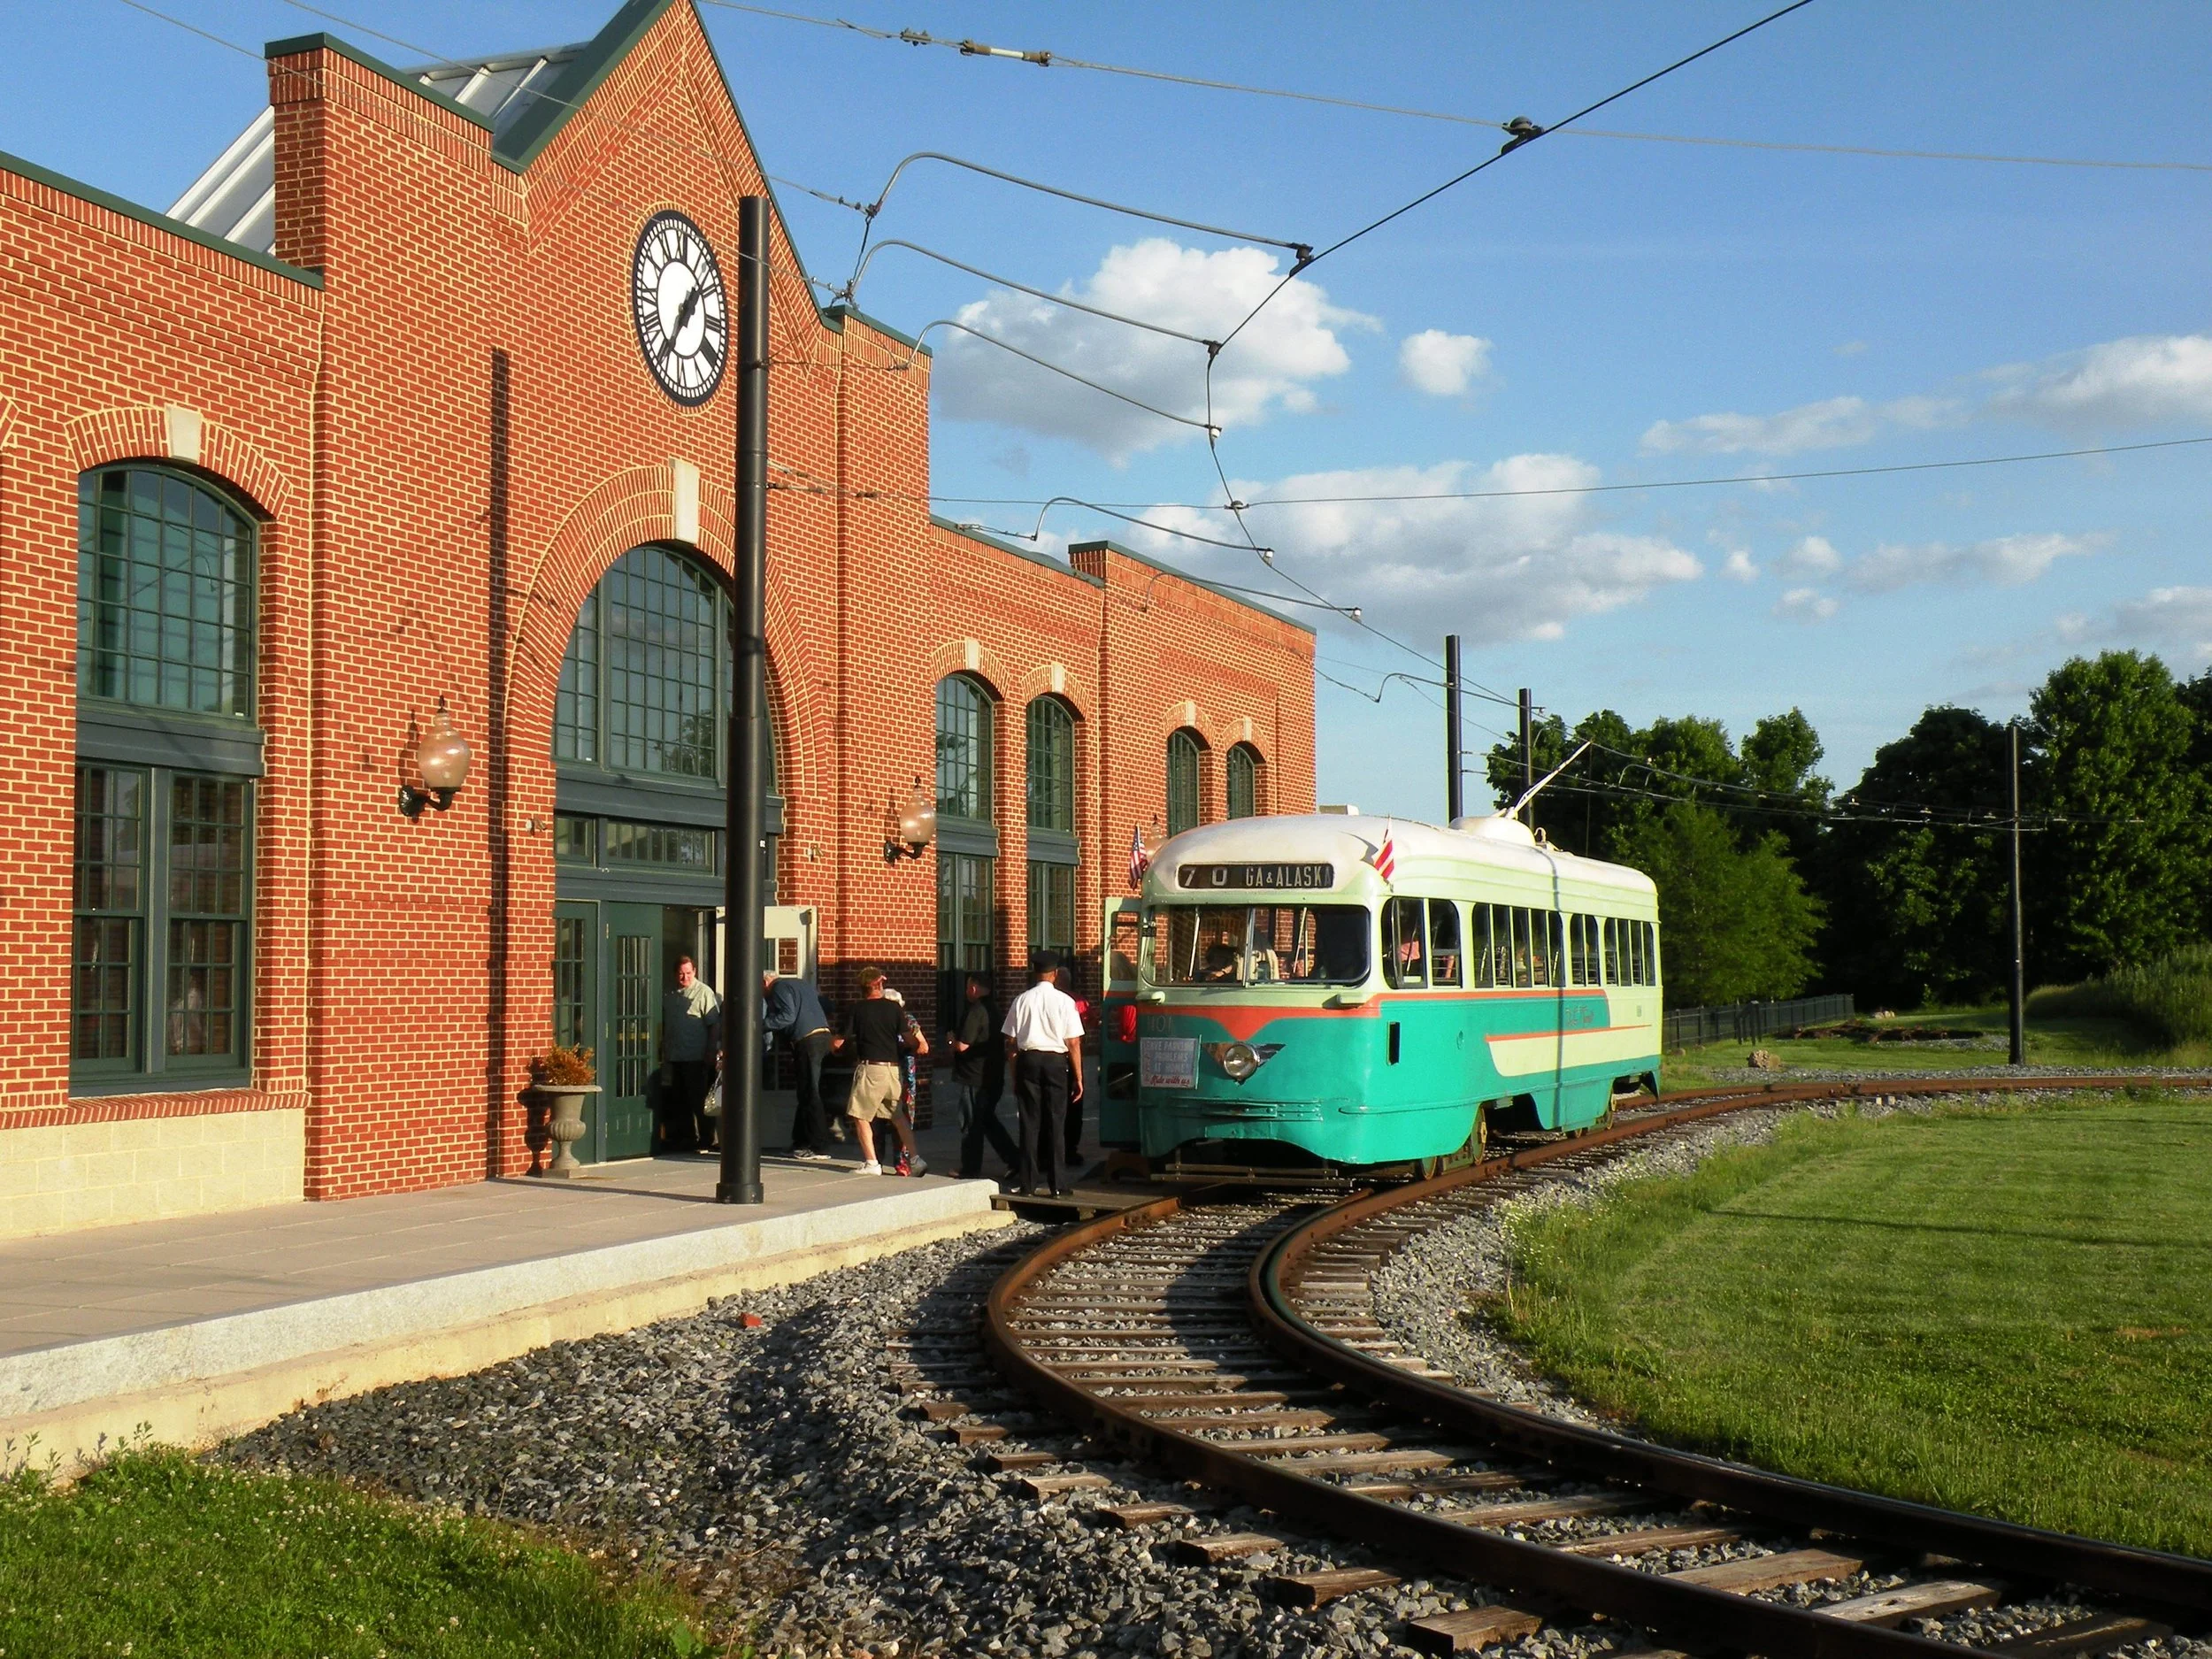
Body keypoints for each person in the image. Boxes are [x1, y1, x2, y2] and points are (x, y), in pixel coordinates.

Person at [830, 966, 927, 1177]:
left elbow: (838, 1042)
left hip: (870, 1068)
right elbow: (911, 1040)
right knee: (898, 1117)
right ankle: (916, 1159)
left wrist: (834, 1046)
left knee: (860, 1116)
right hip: (893, 1070)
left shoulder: (857, 1009)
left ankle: (872, 1162)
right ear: (878, 984)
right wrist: (909, 1046)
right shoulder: (894, 1009)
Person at [1003, 953, 1084, 1197]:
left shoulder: (1021, 1000)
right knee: (1056, 1122)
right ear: (1055, 974)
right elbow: (1073, 1042)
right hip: (1056, 1062)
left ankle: (1028, 1184)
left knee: (1029, 1123)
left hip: (1028, 1060)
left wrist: (1015, 1075)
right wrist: (1078, 1077)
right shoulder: (1065, 1002)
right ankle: (1057, 1184)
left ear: (1034, 973)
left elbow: (1010, 1042)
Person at [945, 971, 1019, 1182]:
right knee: (988, 1121)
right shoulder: (994, 1009)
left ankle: (970, 1167)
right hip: (993, 1074)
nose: (966, 991)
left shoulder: (976, 1011)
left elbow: (963, 1045)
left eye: (968, 987)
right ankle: (1015, 1159)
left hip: (974, 1077)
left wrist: (951, 1041)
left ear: (974, 988)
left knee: (971, 1123)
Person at [763, 967, 834, 1162]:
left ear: (765, 982)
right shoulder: (802, 984)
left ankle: (819, 1146)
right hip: (823, 1037)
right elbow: (828, 1005)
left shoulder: (778, 988)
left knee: (810, 1093)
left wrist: (760, 1025)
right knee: (805, 1093)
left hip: (807, 1041)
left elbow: (788, 1016)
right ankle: (801, 1142)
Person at [659, 954, 721, 1154]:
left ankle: (707, 1139)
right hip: (674, 1056)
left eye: (688, 973)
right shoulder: (669, 994)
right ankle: (686, 1138)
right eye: (681, 974)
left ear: (694, 971)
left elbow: (714, 1025)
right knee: (679, 1100)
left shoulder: (704, 992)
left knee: (699, 1099)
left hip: (696, 1056)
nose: (684, 978)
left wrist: (710, 1051)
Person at [1054, 964, 1093, 1166]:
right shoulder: (1079, 1001)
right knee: (1075, 1105)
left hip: (1055, 1055)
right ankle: (1070, 1149)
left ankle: (1051, 1149)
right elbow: (1090, 1023)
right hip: (1074, 1055)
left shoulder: (1053, 1001)